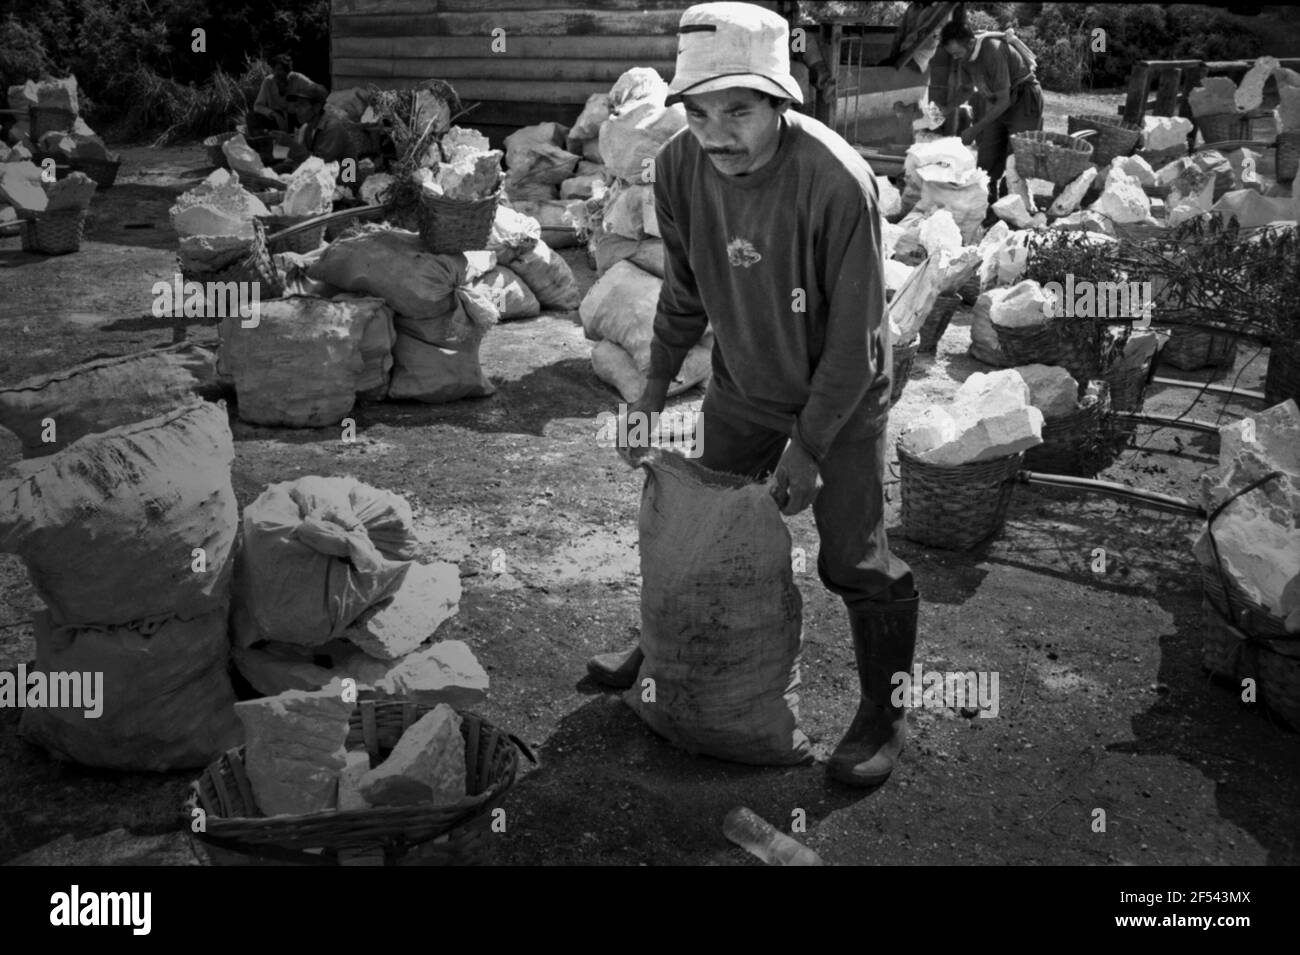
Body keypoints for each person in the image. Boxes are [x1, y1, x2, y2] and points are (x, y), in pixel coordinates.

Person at [586, 1, 920, 789]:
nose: (717, 133)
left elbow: (858, 342)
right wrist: (652, 392)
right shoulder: (677, 168)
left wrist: (808, 447)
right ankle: (662, 649)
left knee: (855, 558)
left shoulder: (837, 182)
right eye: (698, 112)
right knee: (699, 517)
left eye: (738, 110)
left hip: (839, 402)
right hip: (742, 390)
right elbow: (685, 294)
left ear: (781, 102)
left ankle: (885, 708)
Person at [938, 20, 1043, 206]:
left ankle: (1014, 208)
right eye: (951, 54)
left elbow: (1005, 101)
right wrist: (946, 109)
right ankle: (987, 204)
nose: (955, 57)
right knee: (987, 156)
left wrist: (974, 129)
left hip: (1023, 99)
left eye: (957, 53)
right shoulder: (965, 58)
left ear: (970, 43)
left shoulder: (992, 50)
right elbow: (966, 89)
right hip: (998, 101)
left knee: (1016, 159)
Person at [280, 74, 358, 169]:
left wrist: (291, 145)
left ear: (317, 108)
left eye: (302, 105)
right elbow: (304, 159)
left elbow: (319, 162)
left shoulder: (333, 127)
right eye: (296, 106)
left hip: (347, 179)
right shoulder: (308, 128)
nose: (297, 110)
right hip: (327, 176)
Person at [249, 54, 295, 133]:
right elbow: (258, 106)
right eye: (274, 70)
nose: (276, 73)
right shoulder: (268, 82)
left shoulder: (295, 81)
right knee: (251, 116)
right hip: (275, 118)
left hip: (293, 117)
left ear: (287, 70)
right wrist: (274, 114)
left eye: (280, 69)